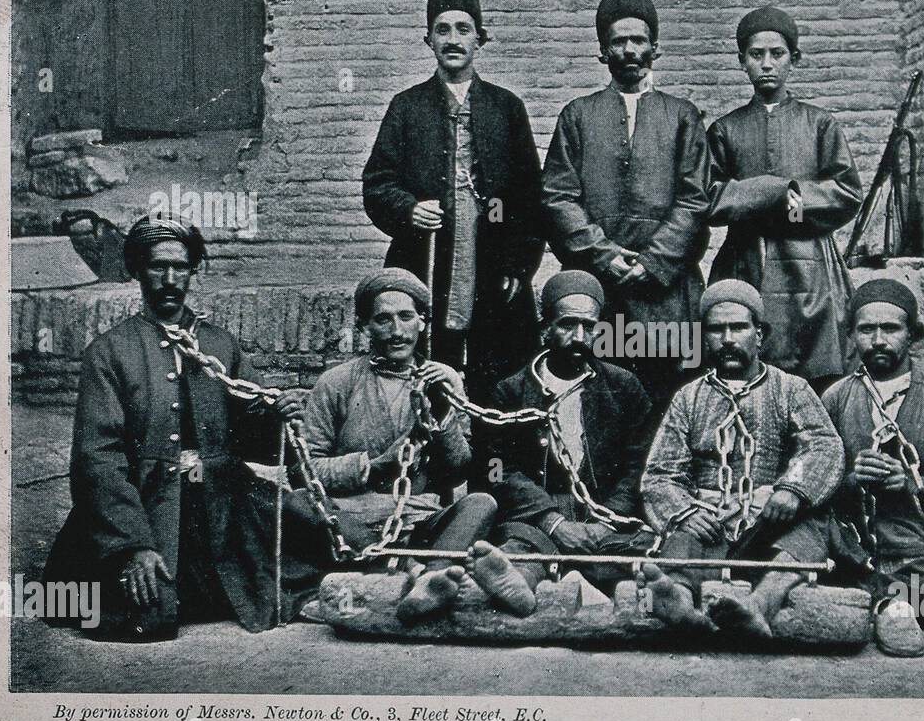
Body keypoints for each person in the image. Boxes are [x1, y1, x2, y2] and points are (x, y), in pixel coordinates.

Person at [41, 216, 331, 641]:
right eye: (158, 266)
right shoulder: (109, 352)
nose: (170, 279)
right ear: (139, 270)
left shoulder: (219, 345)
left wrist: (276, 416)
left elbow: (256, 444)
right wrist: (133, 544)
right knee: (145, 615)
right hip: (146, 503)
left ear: (193, 271)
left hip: (222, 503)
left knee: (314, 552)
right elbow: (97, 460)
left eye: (181, 267)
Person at [363, 0, 545, 402]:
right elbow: (377, 184)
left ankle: (490, 461)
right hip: (426, 258)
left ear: (480, 38)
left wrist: (519, 266)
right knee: (422, 372)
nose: (453, 39)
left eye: (464, 29)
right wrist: (408, 209)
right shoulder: (407, 108)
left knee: (496, 374)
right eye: (442, 29)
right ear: (427, 39)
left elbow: (529, 199)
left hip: (491, 262)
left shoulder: (506, 107)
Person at [639, 280, 845, 638]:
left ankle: (759, 605)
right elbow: (660, 473)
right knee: (684, 539)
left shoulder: (790, 388)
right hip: (711, 525)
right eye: (717, 330)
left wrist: (792, 490)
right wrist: (688, 512)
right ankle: (681, 606)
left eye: (739, 327)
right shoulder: (688, 397)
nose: (728, 339)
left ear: (759, 334)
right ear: (705, 338)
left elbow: (824, 445)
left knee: (810, 528)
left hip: (769, 523)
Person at [542, 0, 711, 409]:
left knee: (668, 398)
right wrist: (605, 256)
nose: (630, 50)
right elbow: (558, 196)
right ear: (603, 52)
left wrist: (652, 262)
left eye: (638, 40)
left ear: (655, 48)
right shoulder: (577, 115)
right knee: (601, 396)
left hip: (667, 293)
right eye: (619, 41)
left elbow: (694, 199)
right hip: (600, 291)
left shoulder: (682, 116)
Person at [300, 268, 499, 622]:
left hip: (417, 518)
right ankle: (409, 571)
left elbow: (457, 471)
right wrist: (373, 464)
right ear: (365, 328)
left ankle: (427, 578)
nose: (396, 331)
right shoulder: (336, 383)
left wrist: (445, 408)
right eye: (383, 320)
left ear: (422, 322)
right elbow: (307, 469)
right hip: (352, 522)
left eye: (406, 317)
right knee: (297, 503)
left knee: (481, 503)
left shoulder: (440, 381)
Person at [469, 270, 657, 615]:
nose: (579, 337)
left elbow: (639, 466)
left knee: (637, 548)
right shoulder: (510, 391)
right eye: (567, 325)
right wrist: (552, 521)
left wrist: (606, 521)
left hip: (603, 511)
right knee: (524, 546)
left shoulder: (623, 387)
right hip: (538, 515)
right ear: (545, 328)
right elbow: (498, 470)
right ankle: (519, 584)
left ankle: (614, 587)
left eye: (590, 327)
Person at [821, 280, 924, 654]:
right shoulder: (834, 399)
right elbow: (814, 482)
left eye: (891, 329)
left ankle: (870, 602)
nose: (878, 340)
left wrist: (913, 483)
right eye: (866, 329)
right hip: (851, 537)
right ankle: (887, 604)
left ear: (912, 334)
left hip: (915, 540)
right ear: (851, 335)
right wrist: (851, 480)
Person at [706, 7, 863, 393]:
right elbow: (709, 199)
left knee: (820, 376)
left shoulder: (820, 123)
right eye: (756, 55)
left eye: (777, 53)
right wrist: (768, 191)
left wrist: (792, 198)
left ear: (795, 58)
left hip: (811, 266)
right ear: (742, 61)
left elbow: (845, 192)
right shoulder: (725, 129)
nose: (767, 64)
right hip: (747, 260)